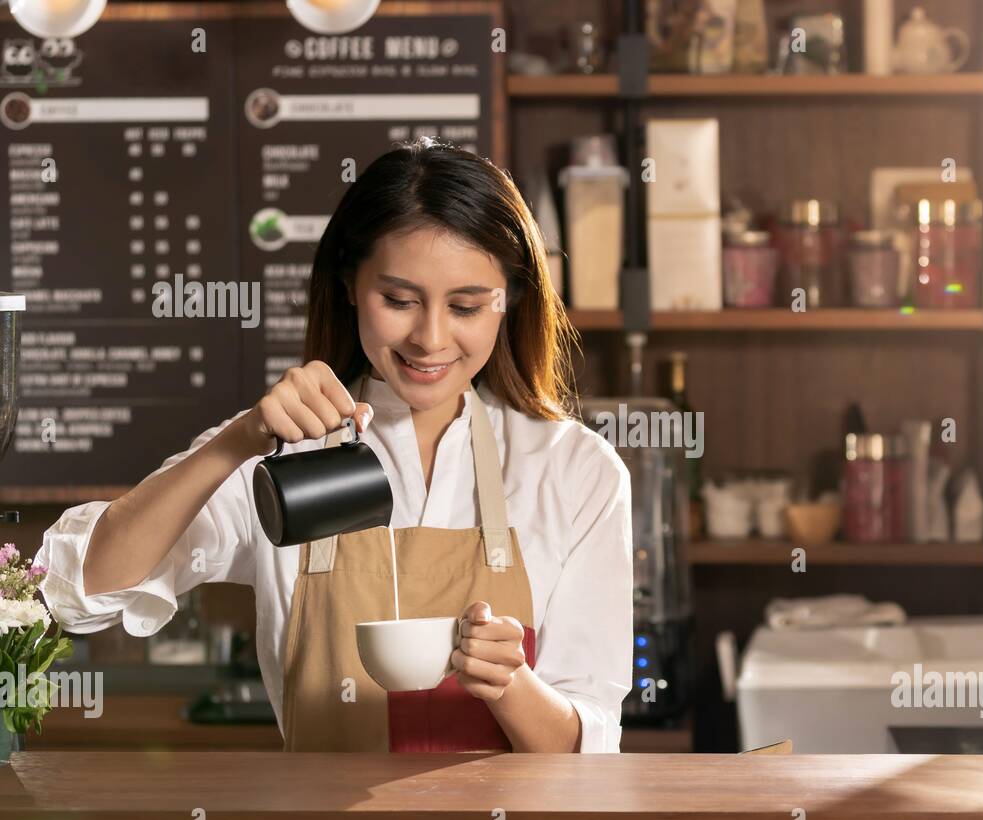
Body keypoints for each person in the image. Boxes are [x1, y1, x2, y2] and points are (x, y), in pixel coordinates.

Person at [37, 139, 633, 753]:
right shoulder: (277, 453)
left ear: (508, 301)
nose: (430, 338)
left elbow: (588, 746)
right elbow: (77, 590)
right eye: (398, 300)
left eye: (466, 306)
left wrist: (511, 683)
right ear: (349, 284)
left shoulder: (575, 470)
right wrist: (235, 444)